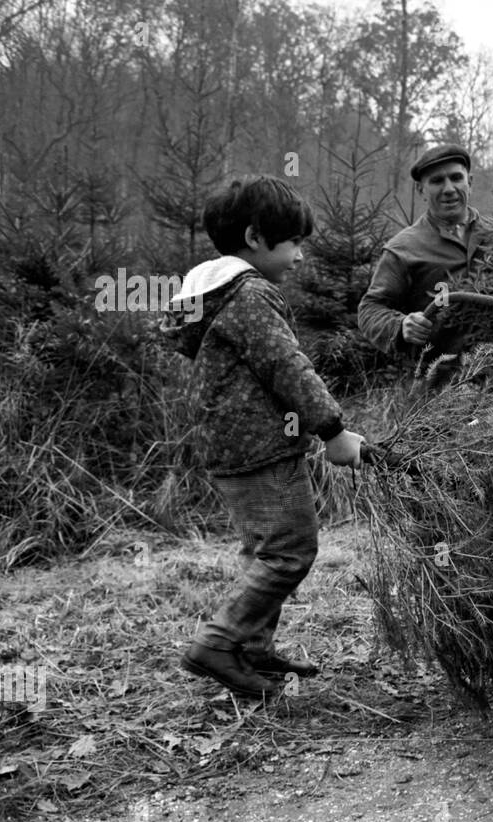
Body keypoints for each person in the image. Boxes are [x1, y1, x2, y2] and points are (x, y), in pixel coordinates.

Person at [167, 175, 366, 697]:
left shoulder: (214, 294)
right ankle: (217, 642)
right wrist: (334, 431)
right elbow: (288, 367)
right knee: (291, 549)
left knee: (262, 550)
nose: (300, 256)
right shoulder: (253, 293)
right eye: (294, 242)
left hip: (228, 447)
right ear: (256, 238)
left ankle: (250, 650)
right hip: (261, 447)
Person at [356, 144, 493, 362]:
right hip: (438, 382)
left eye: (456, 178)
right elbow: (370, 309)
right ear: (421, 190)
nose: (449, 189)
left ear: (470, 183)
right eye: (437, 181)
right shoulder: (403, 248)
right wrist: (400, 325)